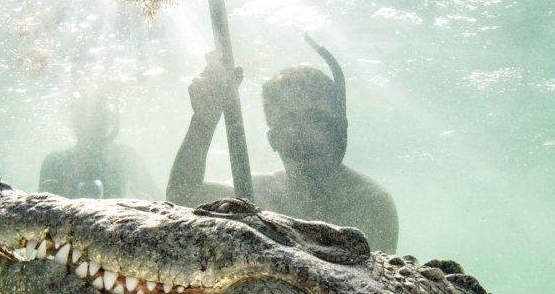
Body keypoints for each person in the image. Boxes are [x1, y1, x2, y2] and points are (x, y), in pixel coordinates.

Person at [167, 35, 399, 252]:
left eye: (316, 118)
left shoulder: (370, 204)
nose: (307, 133)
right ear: (273, 139)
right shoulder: (253, 192)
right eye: (291, 121)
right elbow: (181, 198)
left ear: (340, 128)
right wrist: (203, 121)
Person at [40, 89, 161, 200]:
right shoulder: (55, 161)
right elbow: (42, 215)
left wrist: (147, 205)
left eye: (101, 116)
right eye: (86, 117)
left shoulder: (126, 156)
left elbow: (158, 201)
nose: (94, 122)